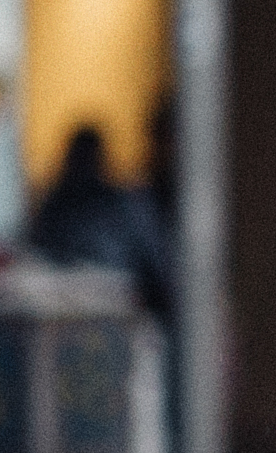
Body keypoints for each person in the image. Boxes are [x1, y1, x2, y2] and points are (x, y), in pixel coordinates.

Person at [27, 124, 178, 319]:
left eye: (89, 157)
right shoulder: (56, 206)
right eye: (80, 157)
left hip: (122, 315)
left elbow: (159, 269)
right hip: (68, 315)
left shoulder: (126, 204)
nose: (84, 165)